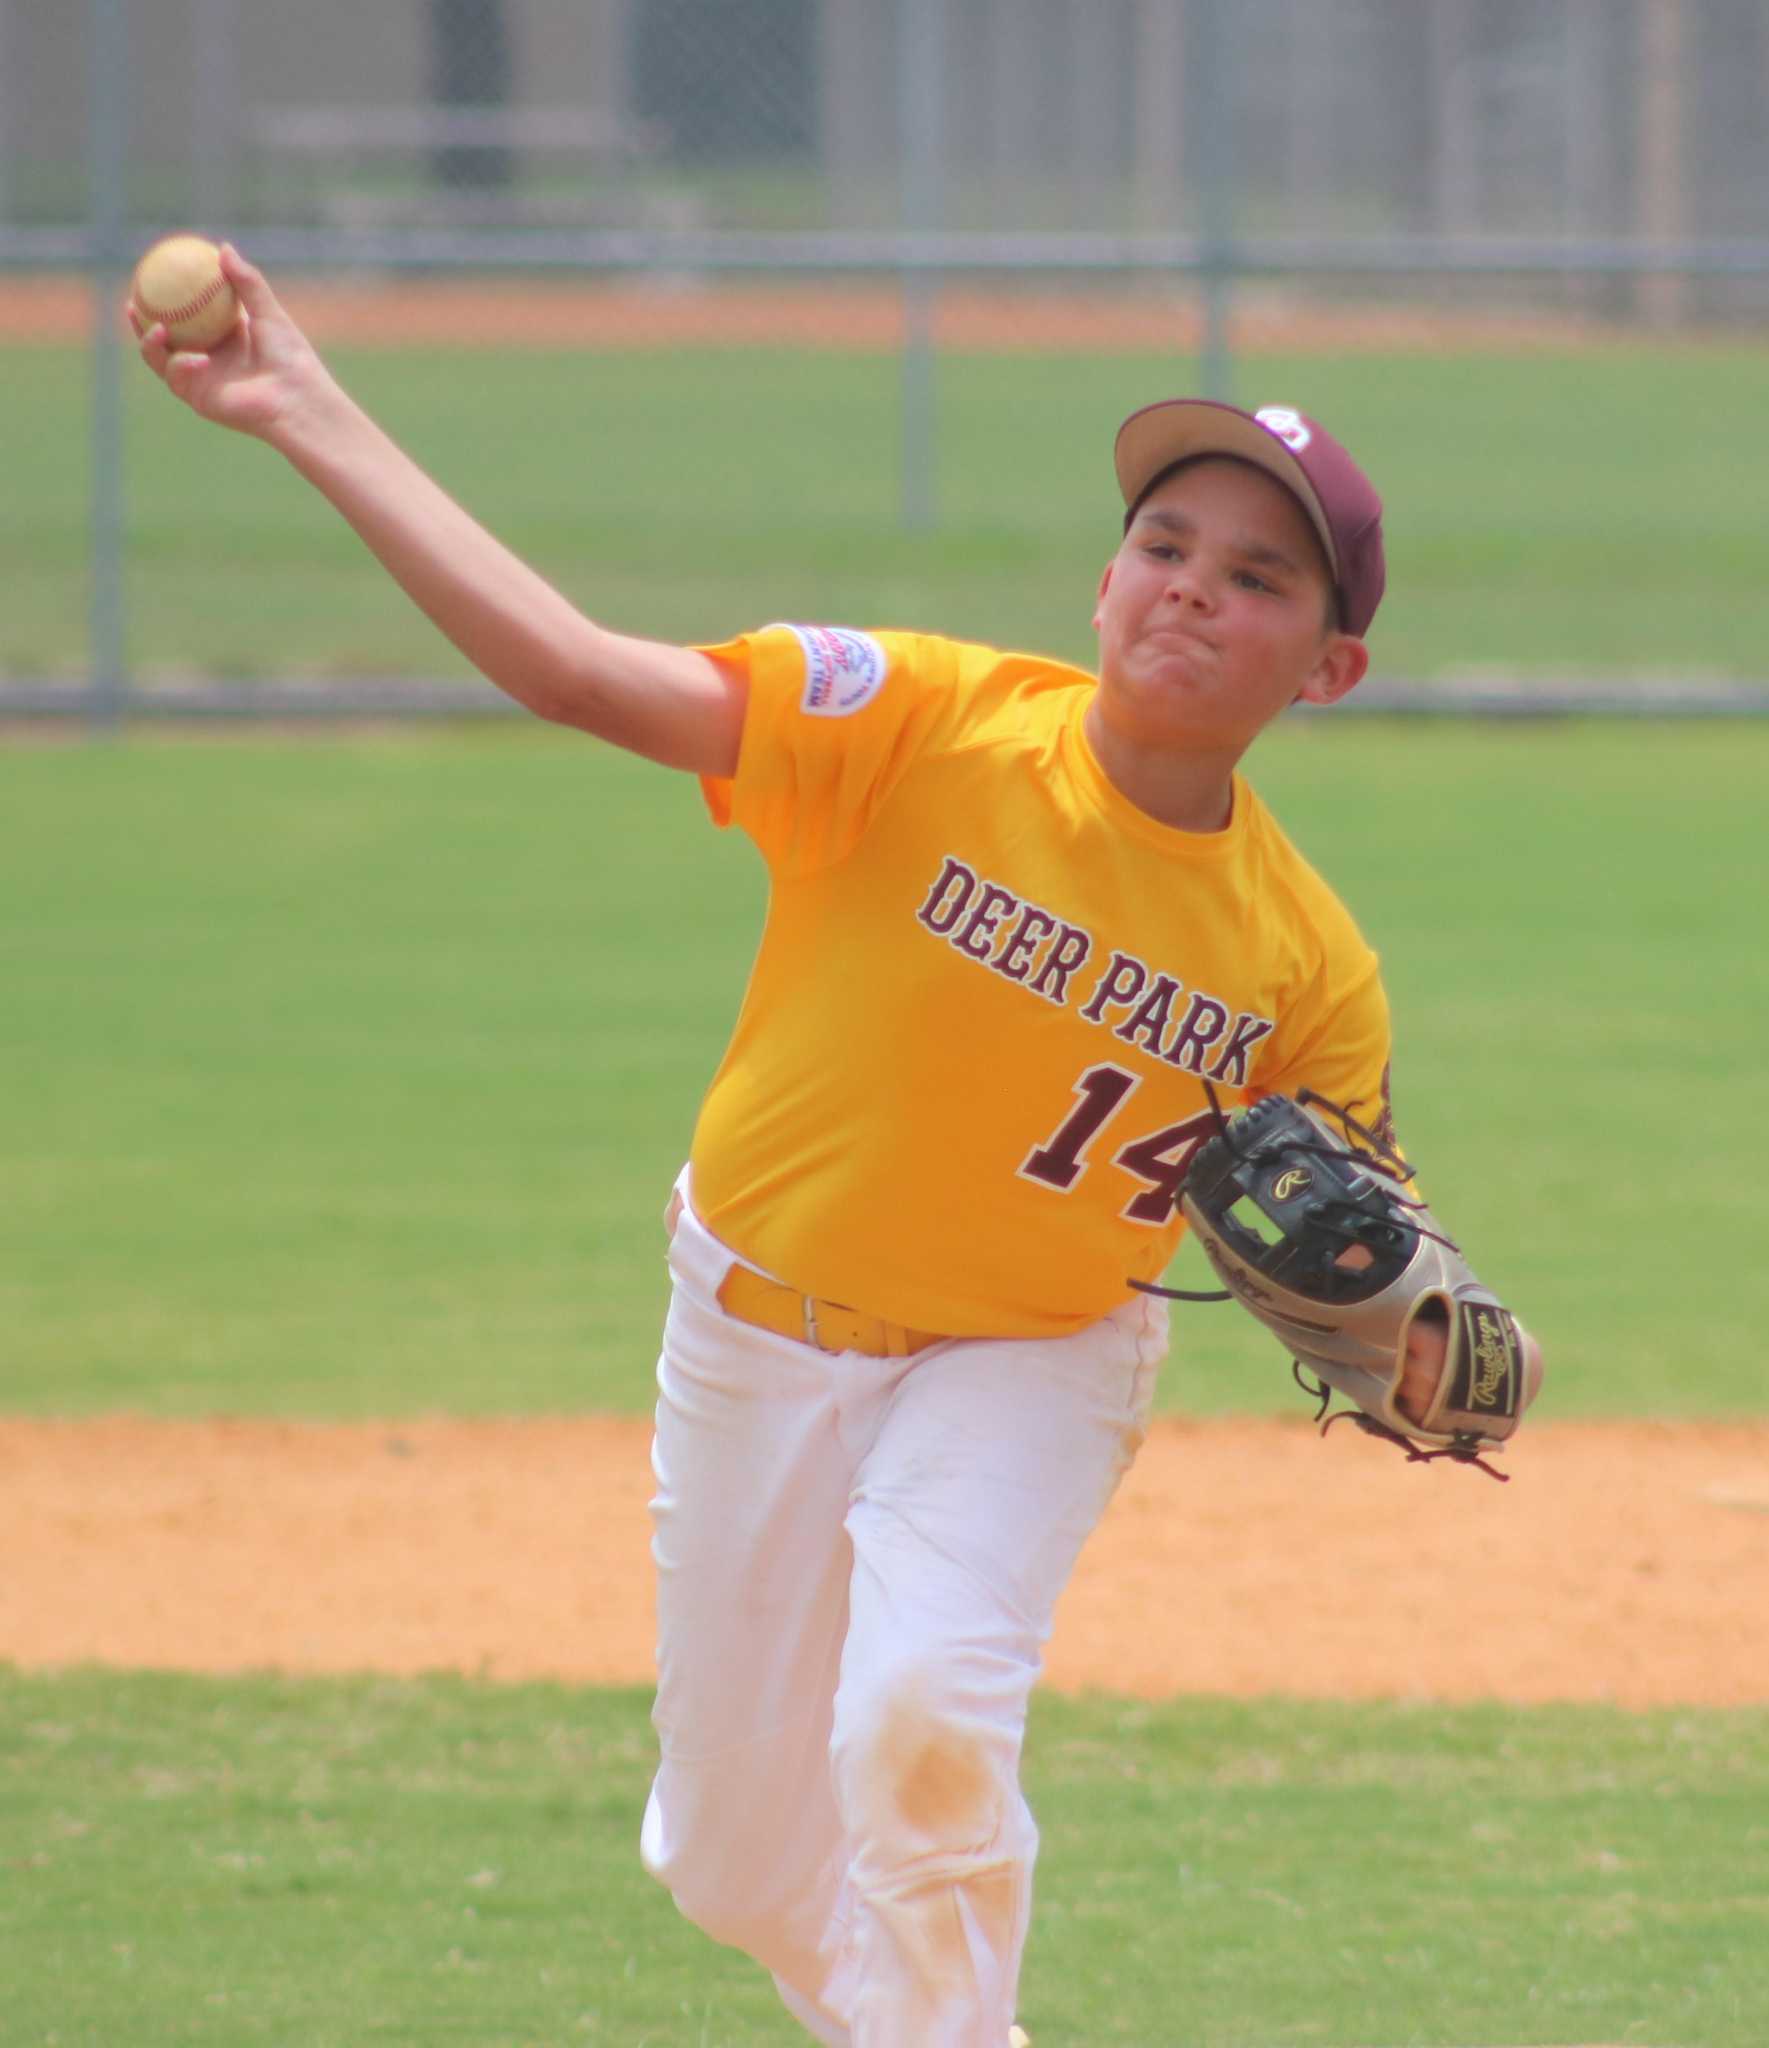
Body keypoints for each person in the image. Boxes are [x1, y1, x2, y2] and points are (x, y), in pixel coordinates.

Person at [133, 247, 1538, 2048]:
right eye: (1165, 544)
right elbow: (574, 674)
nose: (1191, 587)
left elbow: (1360, 1245)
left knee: (926, 1716)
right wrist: (303, 409)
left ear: (1325, 667)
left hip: (1029, 1359)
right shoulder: (914, 722)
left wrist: (1406, 1332)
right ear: (1101, 578)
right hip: (755, 1322)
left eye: (1256, 576)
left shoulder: (1304, 963)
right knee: (729, 1867)